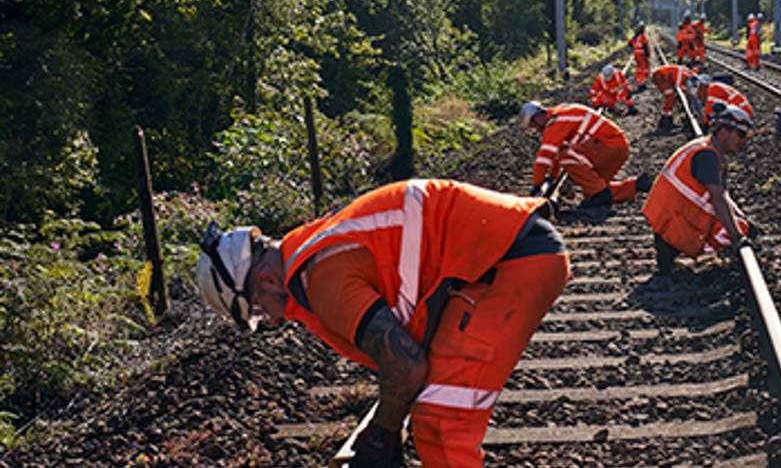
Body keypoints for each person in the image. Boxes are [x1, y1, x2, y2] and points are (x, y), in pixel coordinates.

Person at [196, 179, 570, 468]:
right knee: (433, 407)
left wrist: (381, 435)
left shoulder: (322, 280)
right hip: (497, 254)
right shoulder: (314, 250)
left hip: (506, 261)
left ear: (266, 281)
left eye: (258, 310)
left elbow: (406, 365)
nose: (271, 320)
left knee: (440, 421)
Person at [641, 106, 753, 273]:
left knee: (738, 223)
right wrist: (738, 238)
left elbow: (723, 195)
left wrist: (739, 215)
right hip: (674, 221)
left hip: (669, 217)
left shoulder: (706, 148)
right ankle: (675, 248)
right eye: (741, 134)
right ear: (724, 131)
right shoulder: (707, 155)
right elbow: (718, 199)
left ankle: (671, 250)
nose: (743, 141)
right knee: (736, 230)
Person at [518, 101, 651, 207]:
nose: (536, 130)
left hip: (608, 147)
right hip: (613, 148)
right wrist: (551, 176)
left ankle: (599, 193)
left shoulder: (555, 122)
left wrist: (537, 185)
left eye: (533, 126)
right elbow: (556, 152)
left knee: (568, 159)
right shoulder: (561, 113)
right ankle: (634, 186)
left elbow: (545, 157)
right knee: (592, 194)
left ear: (536, 118)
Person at [650, 64, 697, 131]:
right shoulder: (685, 74)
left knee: (671, 97)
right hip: (661, 77)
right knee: (670, 97)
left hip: (662, 76)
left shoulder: (686, 73)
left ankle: (666, 117)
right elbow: (679, 83)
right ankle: (665, 119)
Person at [628, 22, 650, 90]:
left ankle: (639, 82)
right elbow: (645, 45)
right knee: (645, 69)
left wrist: (634, 49)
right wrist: (647, 54)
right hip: (642, 55)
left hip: (636, 55)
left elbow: (629, 43)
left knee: (639, 69)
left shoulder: (634, 37)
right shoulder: (642, 36)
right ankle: (643, 83)